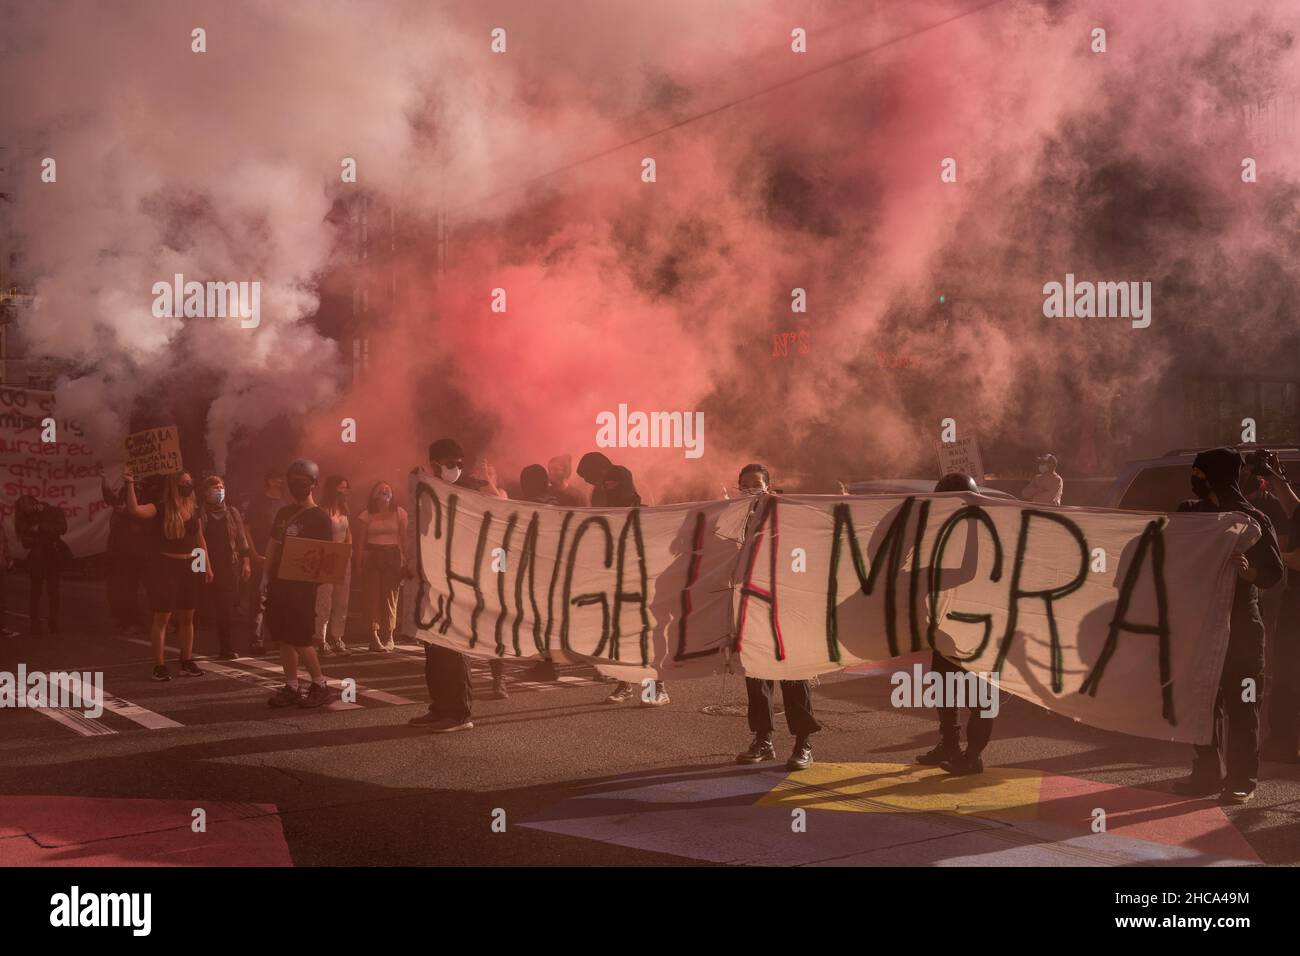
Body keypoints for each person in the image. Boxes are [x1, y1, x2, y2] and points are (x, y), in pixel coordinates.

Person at [1174, 448, 1284, 804]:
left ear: (1215, 476)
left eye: (1199, 473)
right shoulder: (1190, 516)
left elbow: (1273, 574)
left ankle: (1241, 781)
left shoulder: (1250, 519)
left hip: (1241, 630)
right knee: (1201, 705)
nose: (1193, 479)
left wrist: (1246, 570)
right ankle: (1205, 775)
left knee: (1242, 704)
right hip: (1200, 626)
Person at [732, 464, 820, 771]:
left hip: (787, 609)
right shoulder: (733, 519)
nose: (750, 490)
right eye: (744, 485)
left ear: (769, 486)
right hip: (752, 611)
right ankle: (763, 740)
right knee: (756, 679)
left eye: (756, 484)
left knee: (794, 677)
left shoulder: (787, 516)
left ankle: (803, 744)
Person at [913, 472, 1000, 776]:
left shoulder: (985, 530)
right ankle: (949, 744)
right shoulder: (940, 531)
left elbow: (971, 573)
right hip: (946, 627)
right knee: (945, 690)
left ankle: (973, 756)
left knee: (980, 697)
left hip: (980, 631)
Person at [409, 438, 482, 732]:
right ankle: (440, 707)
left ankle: (460, 713)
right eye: (450, 464)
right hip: (433, 578)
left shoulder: (472, 490)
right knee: (434, 646)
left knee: (454, 646)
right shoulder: (426, 488)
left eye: (459, 464)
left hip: (460, 579)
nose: (456, 469)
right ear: (434, 464)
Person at [122, 470, 210, 680]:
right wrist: (129, 484)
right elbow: (134, 510)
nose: (187, 485)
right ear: (173, 485)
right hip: (166, 567)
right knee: (162, 617)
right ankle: (159, 666)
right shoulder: (160, 508)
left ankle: (186, 661)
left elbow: (200, 539)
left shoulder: (193, 508)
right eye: (183, 482)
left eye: (190, 481)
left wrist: (207, 565)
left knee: (188, 617)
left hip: (190, 565)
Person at [262, 459, 334, 708]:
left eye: (302, 482)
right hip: (279, 583)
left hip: (302, 587)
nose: (296, 485)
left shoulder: (320, 518)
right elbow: (272, 545)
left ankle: (320, 685)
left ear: (313, 484)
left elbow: (325, 558)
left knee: (301, 638)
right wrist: (265, 576)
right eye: (292, 481)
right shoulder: (283, 513)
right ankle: (292, 686)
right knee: (283, 637)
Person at [601, 466, 669, 706]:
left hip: (645, 582)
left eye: (615, 484)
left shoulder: (645, 513)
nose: (611, 489)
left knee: (649, 635)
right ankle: (624, 684)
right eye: (607, 485)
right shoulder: (606, 512)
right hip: (618, 581)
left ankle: (658, 687)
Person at [198, 475, 251, 659]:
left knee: (225, 608)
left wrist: (246, 562)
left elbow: (241, 539)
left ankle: (226, 647)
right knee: (200, 606)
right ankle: (192, 648)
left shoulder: (232, 512)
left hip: (228, 565)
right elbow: (195, 541)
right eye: (214, 487)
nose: (219, 490)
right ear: (205, 492)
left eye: (221, 487)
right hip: (203, 563)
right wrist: (200, 567)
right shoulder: (199, 513)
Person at [355, 480, 407, 653]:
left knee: (391, 597)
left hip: (392, 556)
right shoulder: (366, 515)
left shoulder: (399, 513)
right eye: (380, 488)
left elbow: (405, 539)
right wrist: (358, 563)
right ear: (374, 494)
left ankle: (389, 635)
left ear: (392, 494)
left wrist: (407, 560)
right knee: (372, 597)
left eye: (388, 489)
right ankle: (374, 637)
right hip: (372, 556)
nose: (384, 490)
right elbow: (360, 542)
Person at [244, 467, 290, 655]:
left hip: (281, 558)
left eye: (281, 478)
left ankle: (277, 637)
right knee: (259, 598)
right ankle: (257, 639)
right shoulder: (258, 502)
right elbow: (246, 528)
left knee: (278, 598)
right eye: (277, 478)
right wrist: (252, 553)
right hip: (261, 555)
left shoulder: (287, 503)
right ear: (269, 480)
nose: (280, 482)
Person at [101, 477, 150, 635]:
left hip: (140, 553)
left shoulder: (142, 508)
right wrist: (104, 481)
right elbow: (110, 498)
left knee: (144, 588)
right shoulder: (121, 509)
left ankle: (143, 621)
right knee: (124, 589)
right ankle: (128, 621)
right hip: (122, 555)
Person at [15, 494, 69, 636]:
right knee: (36, 593)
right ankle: (35, 625)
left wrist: (41, 528)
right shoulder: (25, 517)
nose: (25, 512)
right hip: (37, 557)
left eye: (26, 508)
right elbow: (25, 542)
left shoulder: (55, 511)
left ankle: (53, 624)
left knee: (53, 592)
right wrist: (31, 537)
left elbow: (63, 528)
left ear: (34, 503)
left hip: (52, 556)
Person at [315, 475, 353, 656]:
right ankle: (320, 639)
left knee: (342, 600)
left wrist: (347, 549)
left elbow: (348, 532)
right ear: (333, 489)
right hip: (327, 557)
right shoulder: (322, 510)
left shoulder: (344, 509)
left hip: (343, 557)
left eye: (346, 488)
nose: (344, 491)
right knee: (325, 599)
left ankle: (337, 637)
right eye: (341, 488)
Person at [0, 517, 15, 638]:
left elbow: (5, 545)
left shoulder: (1, 529)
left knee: (1, 598)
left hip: (1, 566)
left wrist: (9, 560)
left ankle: (1, 627)